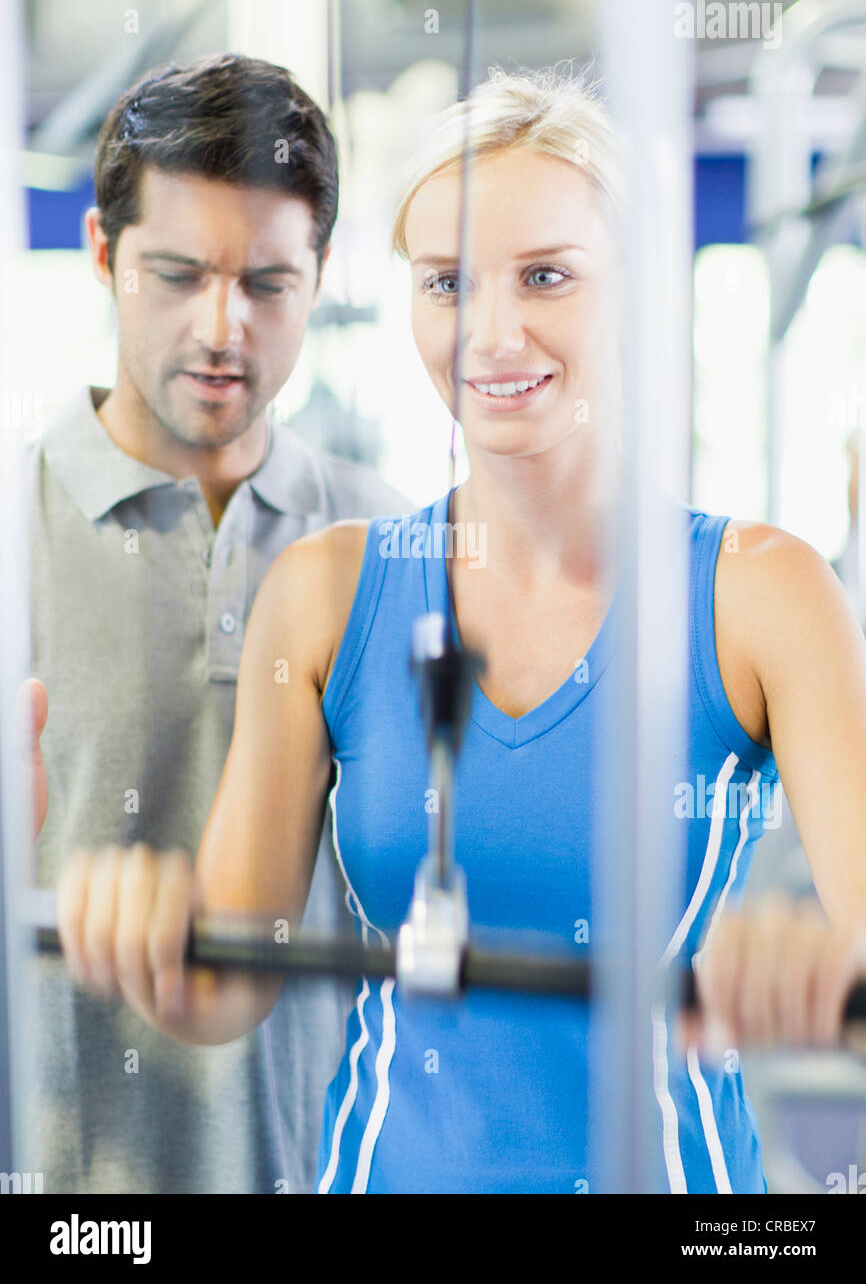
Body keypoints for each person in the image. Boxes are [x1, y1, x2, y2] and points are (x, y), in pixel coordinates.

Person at [52, 66, 866, 1193]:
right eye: (445, 283)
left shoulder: (761, 594)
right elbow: (232, 978)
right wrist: (144, 929)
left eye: (545, 276)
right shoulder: (328, 589)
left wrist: (825, 976)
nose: (491, 331)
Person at [23, 51, 413, 1194]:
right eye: (177, 273)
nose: (222, 327)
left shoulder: (384, 539)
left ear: (320, 273)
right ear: (102, 254)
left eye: (266, 283)